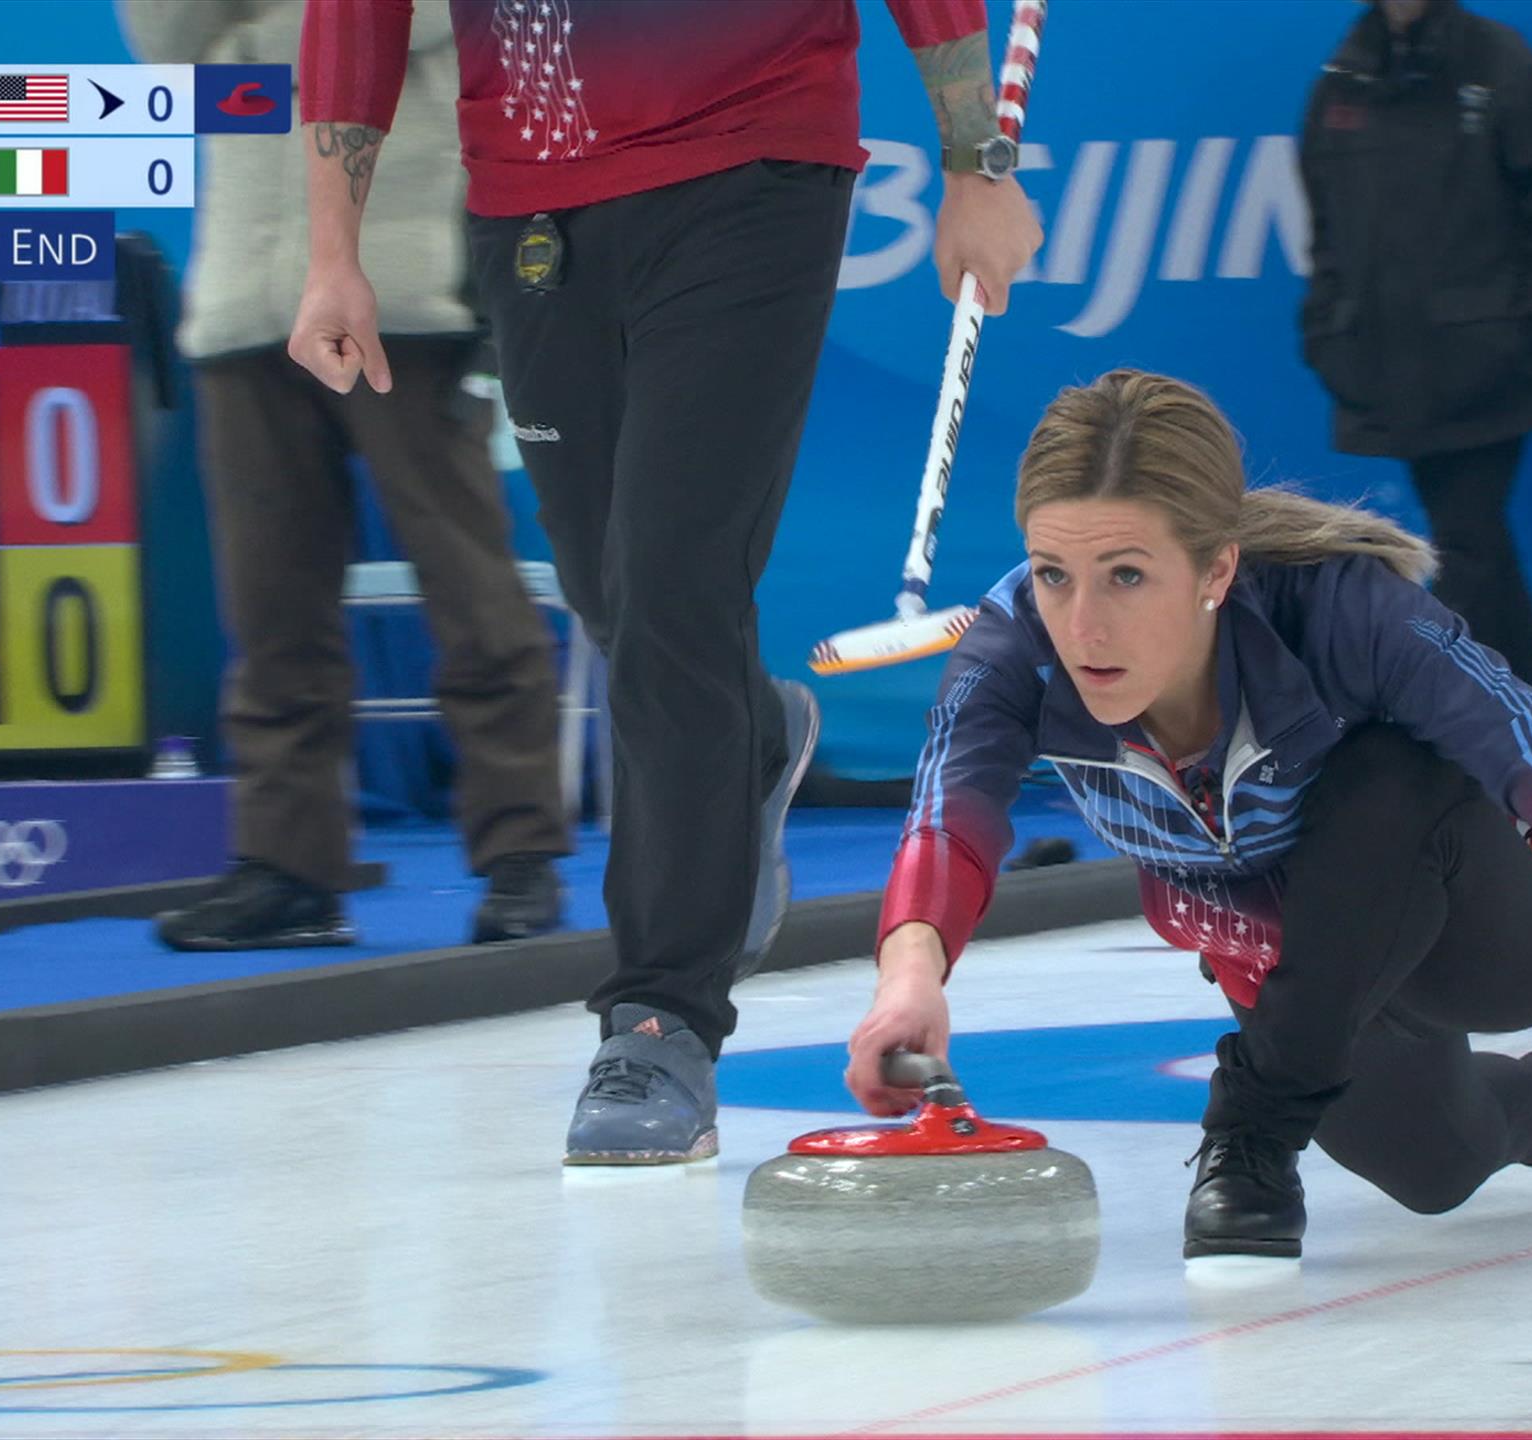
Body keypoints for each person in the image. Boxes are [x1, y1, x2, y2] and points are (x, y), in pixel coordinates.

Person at [291, 0, 1043, 1163]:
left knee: (673, 591)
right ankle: (742, 736)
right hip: (529, 205)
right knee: (620, 604)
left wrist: (973, 166)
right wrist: (330, 255)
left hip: (753, 167)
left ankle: (660, 1021)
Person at [845, 371, 1532, 1259]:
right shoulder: (1019, 651)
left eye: (1125, 577)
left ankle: (1252, 1125)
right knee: (1435, 1165)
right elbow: (948, 818)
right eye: (1054, 574)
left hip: (1483, 928)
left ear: (1216, 569)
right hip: (1299, 965)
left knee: (1380, 777)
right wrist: (908, 978)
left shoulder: (1343, 610)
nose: (1081, 625)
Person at [124, 0, 571, 953]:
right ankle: (290, 872)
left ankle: (521, 856)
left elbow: (401, 23)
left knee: (472, 590)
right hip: (244, 307)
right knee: (270, 612)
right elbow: (163, 39)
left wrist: (255, 41)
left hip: (409, 294)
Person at [1296, 0, 1532, 716]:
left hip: (1490, 369)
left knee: (1466, 549)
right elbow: (1328, 228)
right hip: (1389, 370)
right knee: (1471, 550)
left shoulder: (1497, 62)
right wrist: (1330, 332)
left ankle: (1501, 744)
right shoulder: (1345, 77)